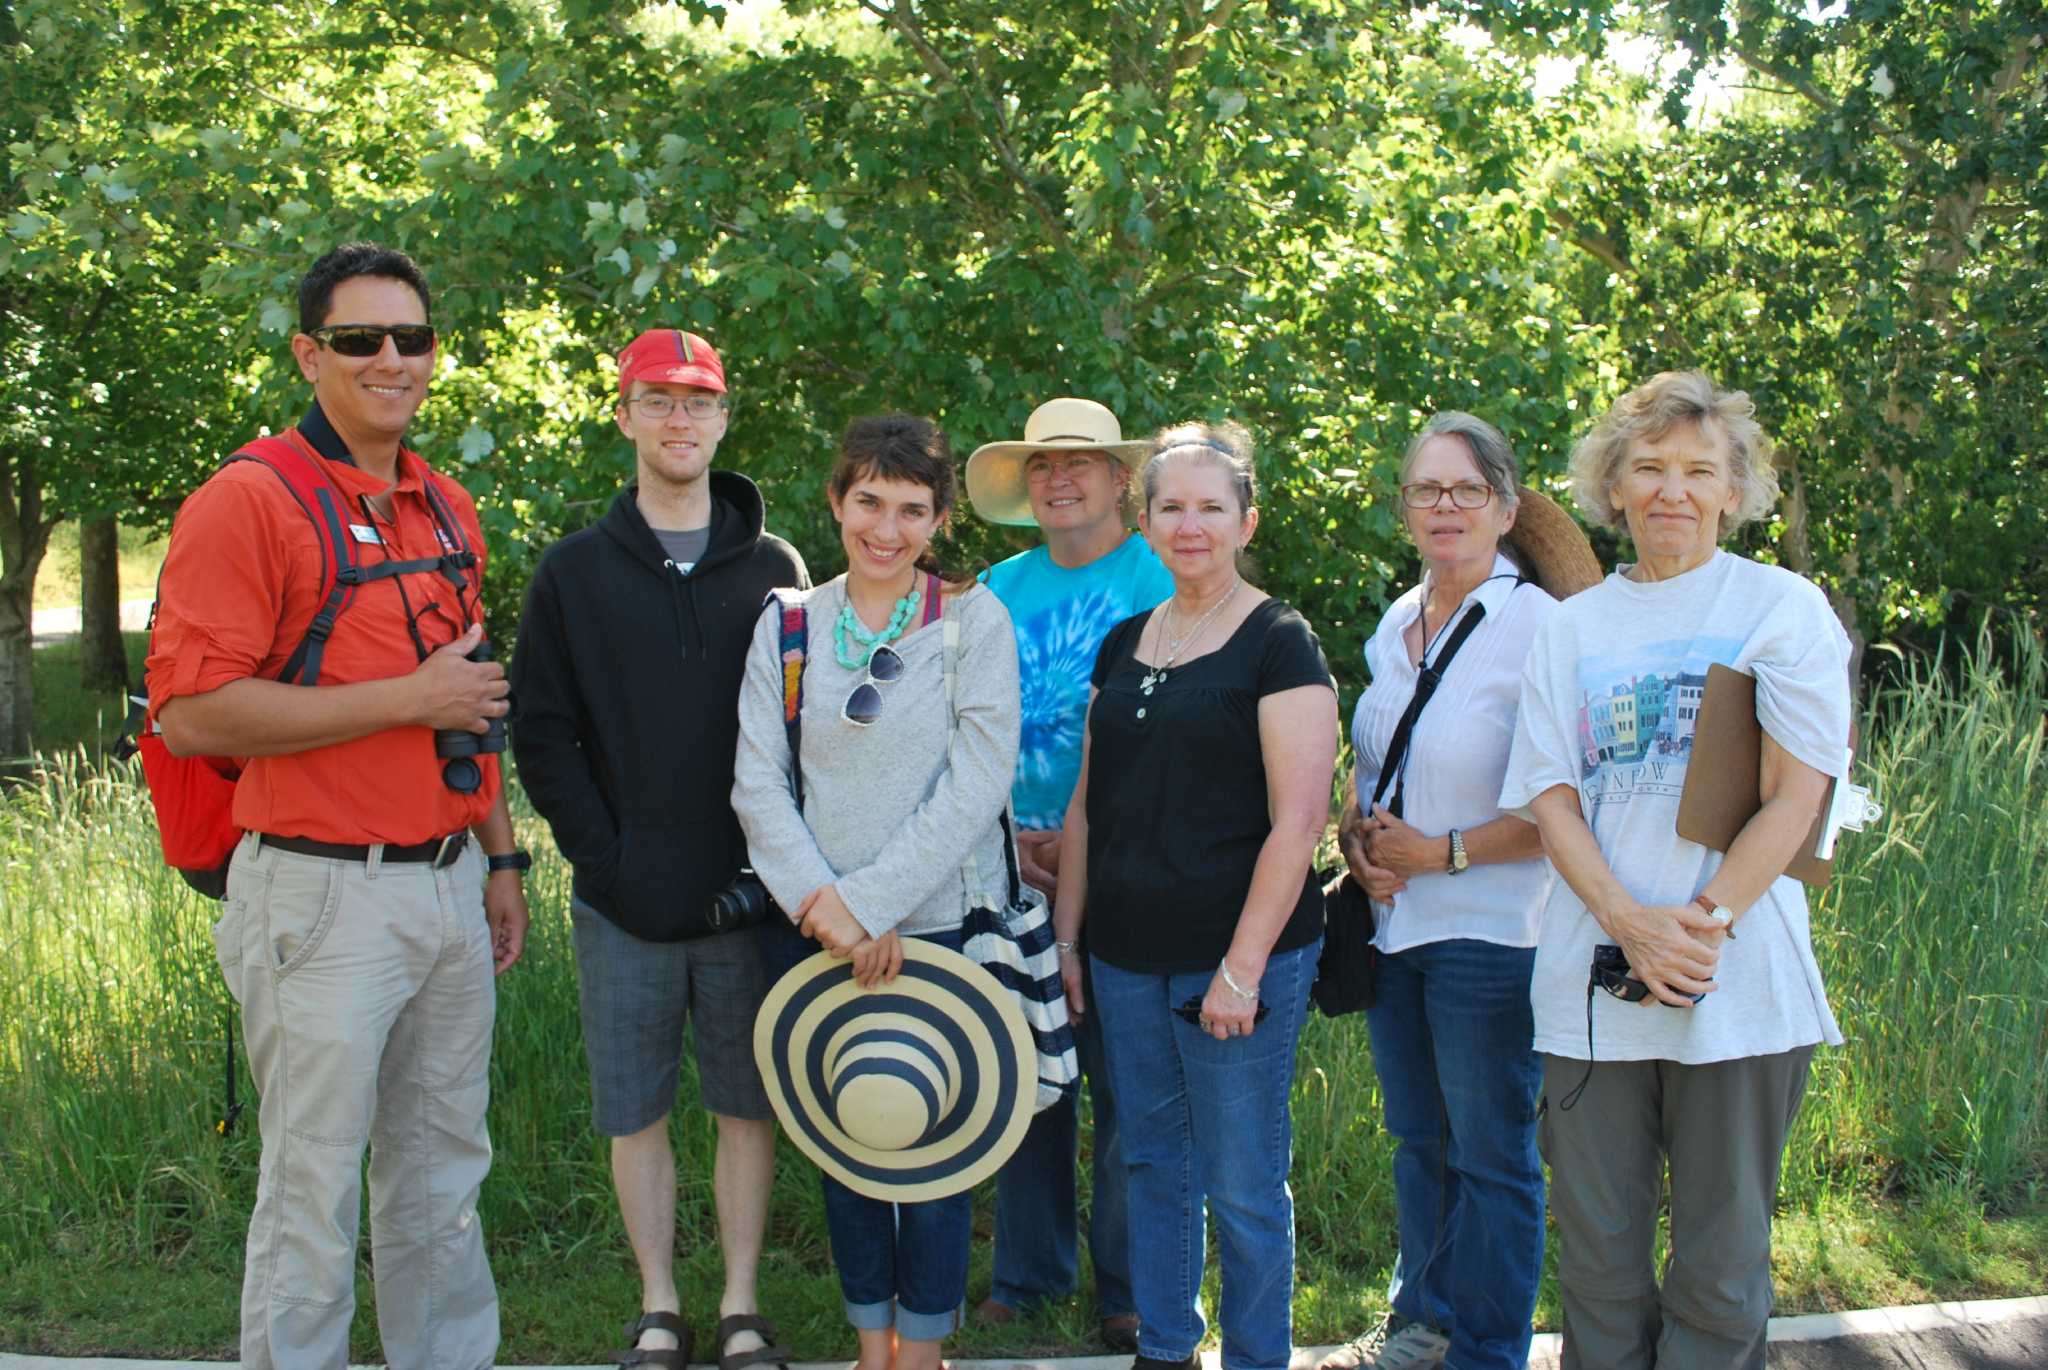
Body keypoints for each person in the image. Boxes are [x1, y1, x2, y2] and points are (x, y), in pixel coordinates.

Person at [144, 242, 529, 1370]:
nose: (392, 359)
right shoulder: (249, 501)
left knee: (444, 1174)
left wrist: (501, 863)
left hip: (449, 885)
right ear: (311, 352)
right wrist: (406, 696)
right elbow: (194, 716)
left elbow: (473, 702)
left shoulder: (444, 502)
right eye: (361, 339)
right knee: (312, 1183)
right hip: (319, 894)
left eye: (411, 338)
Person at [1499, 372, 1851, 1369]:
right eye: (1647, 467)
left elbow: (1794, 793)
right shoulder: (1566, 629)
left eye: (1698, 471)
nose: (1671, 491)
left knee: (1718, 1263)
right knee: (1599, 1266)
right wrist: (1628, 922)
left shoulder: (1780, 607)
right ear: (1610, 486)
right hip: (1591, 983)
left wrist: (1694, 922)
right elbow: (1550, 797)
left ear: (1733, 491)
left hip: (1735, 981)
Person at [509, 329, 808, 1370]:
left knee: (744, 1103)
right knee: (634, 1108)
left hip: (746, 899)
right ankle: (657, 1305)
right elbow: (541, 729)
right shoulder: (575, 572)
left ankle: (736, 1304)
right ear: (625, 413)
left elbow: (803, 726)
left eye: (698, 402)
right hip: (622, 900)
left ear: (724, 419)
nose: (678, 420)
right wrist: (604, 855)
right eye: (658, 401)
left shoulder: (774, 570)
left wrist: (778, 869)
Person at [732, 413, 1021, 1370]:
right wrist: (828, 910)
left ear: (938, 519)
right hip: (813, 932)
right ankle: (871, 1345)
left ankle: (925, 1350)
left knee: (933, 1154)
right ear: (836, 501)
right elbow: (758, 781)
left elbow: (978, 781)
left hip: (935, 931)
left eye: (910, 508)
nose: (886, 528)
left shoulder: (974, 619)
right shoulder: (789, 623)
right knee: (850, 1143)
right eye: (868, 502)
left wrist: (877, 908)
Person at [1053, 421, 1337, 1370]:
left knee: (1246, 1180)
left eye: (1212, 506)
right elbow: (1089, 807)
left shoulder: (1281, 644)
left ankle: (1260, 1357)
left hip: (1237, 958)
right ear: (1144, 520)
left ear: (1246, 520)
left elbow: (1300, 824)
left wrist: (1241, 971)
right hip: (1124, 954)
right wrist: (1067, 941)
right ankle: (1167, 1348)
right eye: (1171, 505)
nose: (1191, 523)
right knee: (1151, 1165)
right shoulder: (1126, 640)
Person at [1321, 414, 1559, 1370]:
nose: (1445, 507)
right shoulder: (1396, 618)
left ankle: (1488, 1351)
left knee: (1493, 1157)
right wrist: (1356, 833)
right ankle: (1420, 1324)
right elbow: (1378, 755)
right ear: (1405, 510)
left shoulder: (1541, 626)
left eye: (1466, 490)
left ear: (1504, 506)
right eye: (1427, 491)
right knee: (1420, 1142)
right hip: (1394, 923)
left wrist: (1443, 854)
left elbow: (1563, 808)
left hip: (1493, 930)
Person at [964, 397, 1173, 1348]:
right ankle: (1029, 1269)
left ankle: (1127, 1282)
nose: (1058, 479)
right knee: (1026, 1074)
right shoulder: (994, 590)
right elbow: (959, 728)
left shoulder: (1164, 574)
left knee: (1129, 1081)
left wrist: (1083, 848)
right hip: (1007, 865)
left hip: (1129, 862)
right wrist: (1011, 842)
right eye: (1042, 465)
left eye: (1078, 463)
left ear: (1119, 479)